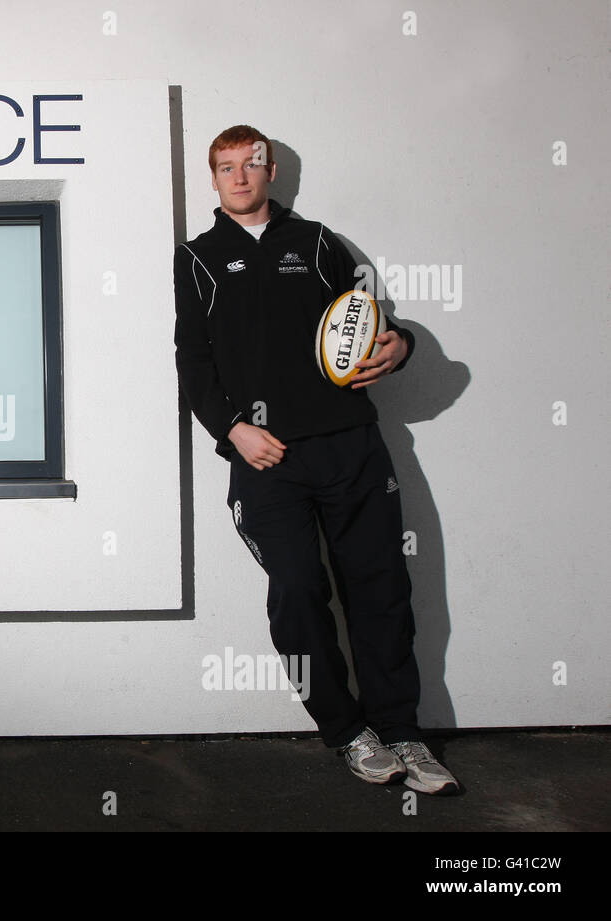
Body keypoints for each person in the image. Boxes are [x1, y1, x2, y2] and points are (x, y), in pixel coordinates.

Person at [173, 124, 459, 794]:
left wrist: (404, 345)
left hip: (353, 446)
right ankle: (346, 730)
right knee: (298, 591)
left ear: (271, 172)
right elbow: (193, 358)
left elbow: (373, 321)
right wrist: (233, 430)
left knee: (381, 592)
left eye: (252, 164)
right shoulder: (198, 257)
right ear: (212, 179)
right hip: (268, 459)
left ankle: (402, 732)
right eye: (225, 168)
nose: (239, 177)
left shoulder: (319, 241)